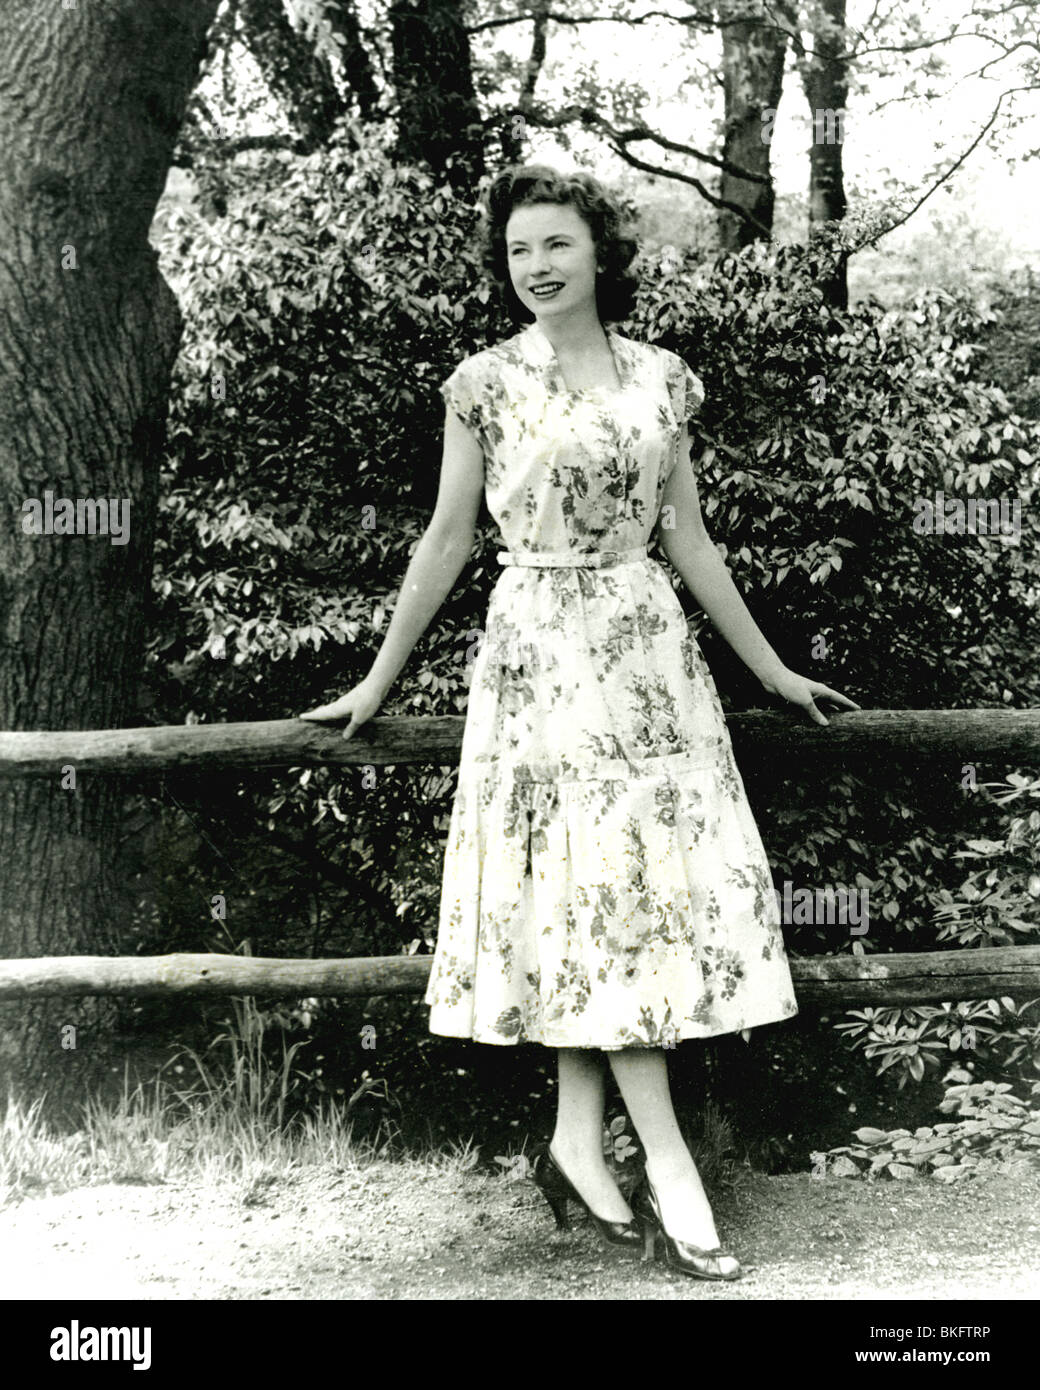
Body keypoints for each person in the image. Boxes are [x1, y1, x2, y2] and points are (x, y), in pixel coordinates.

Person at [299, 164, 859, 1280]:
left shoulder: (662, 379)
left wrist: (771, 667)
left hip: (648, 655)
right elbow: (446, 541)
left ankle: (571, 1134)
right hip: (540, 661)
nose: (536, 267)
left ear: (601, 252)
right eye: (516, 252)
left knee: (630, 896)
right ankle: (665, 1161)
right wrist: (376, 681)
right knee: (585, 889)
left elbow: (689, 540)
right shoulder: (483, 385)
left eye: (555, 244)